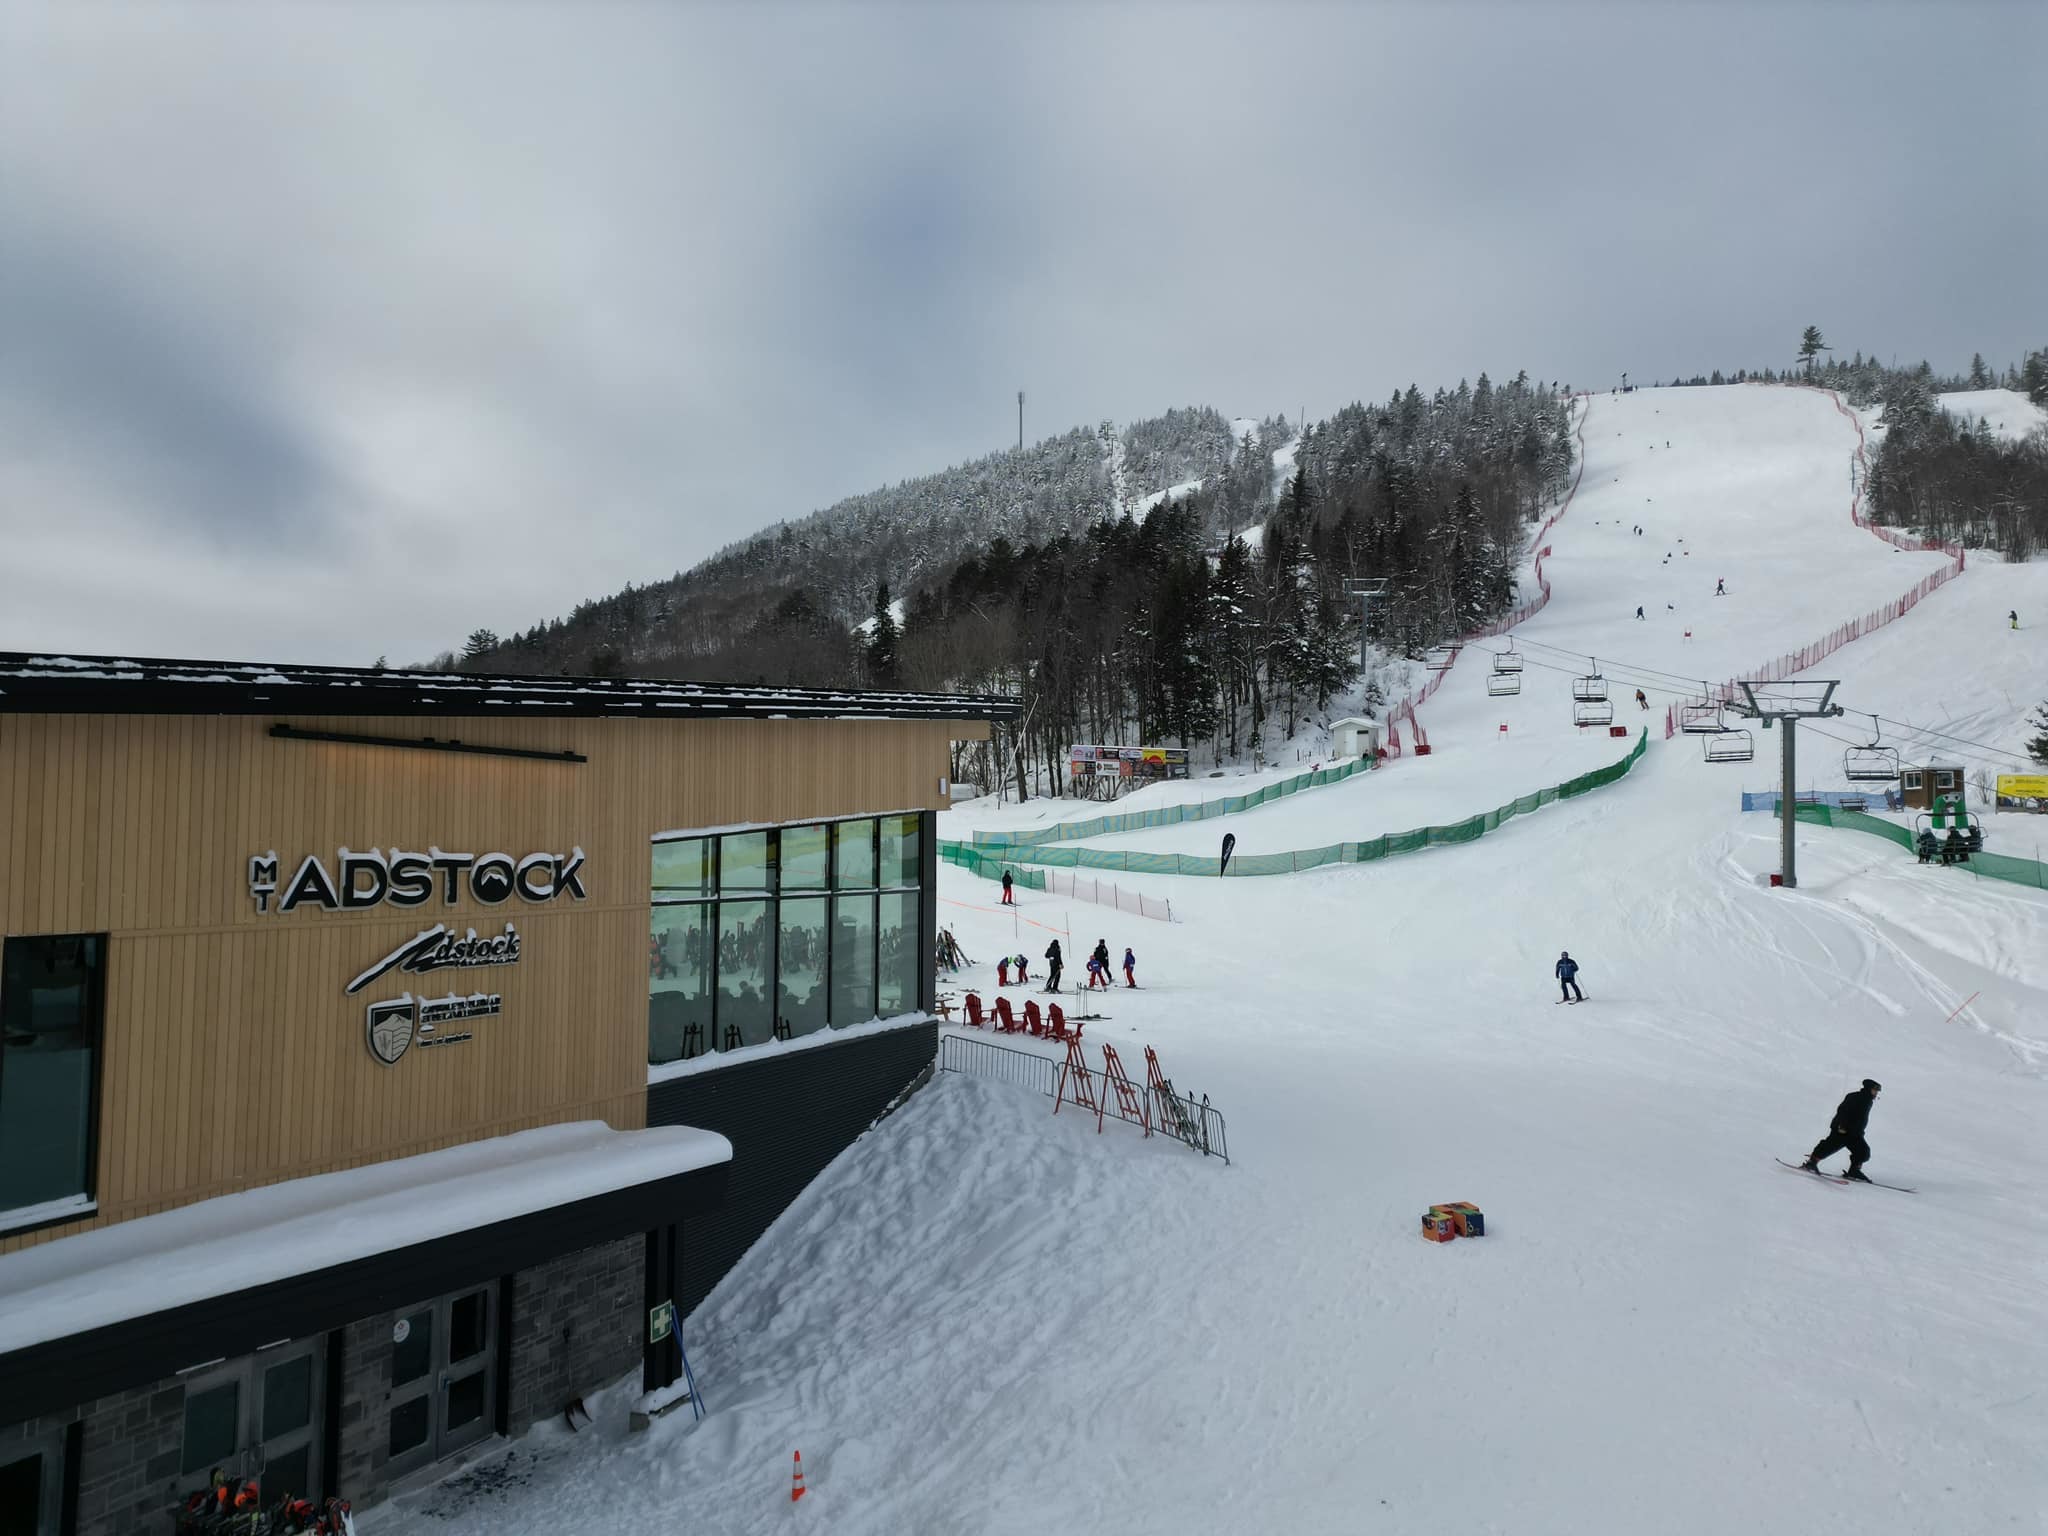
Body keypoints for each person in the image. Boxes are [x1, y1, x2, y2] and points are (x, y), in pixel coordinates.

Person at [1799, 1079, 1881, 1181]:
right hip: (1842, 1130)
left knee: (1863, 1152)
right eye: (1875, 1090)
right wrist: (1842, 1125)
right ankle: (1811, 1163)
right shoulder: (1854, 1097)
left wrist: (1859, 1130)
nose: (1876, 1093)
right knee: (1829, 1145)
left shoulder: (1868, 1100)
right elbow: (1843, 1111)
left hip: (1855, 1133)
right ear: (1868, 1089)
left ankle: (1854, 1171)